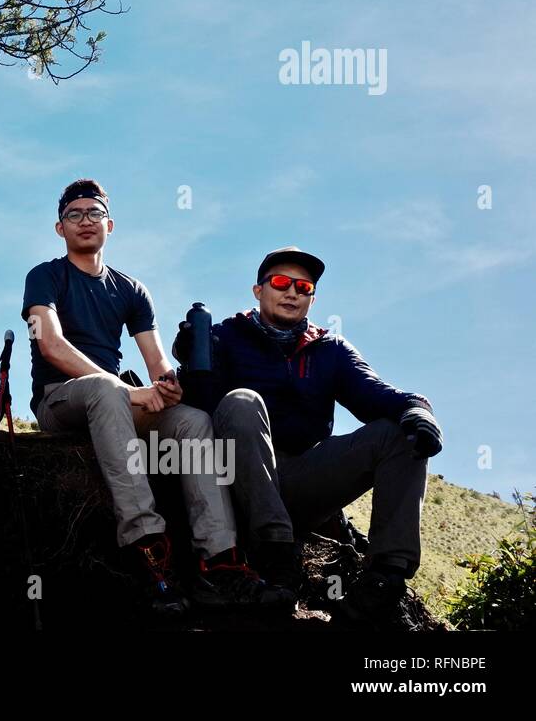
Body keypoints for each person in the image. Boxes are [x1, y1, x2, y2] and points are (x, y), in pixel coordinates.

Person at [22, 179, 292, 614]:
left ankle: (219, 561)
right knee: (108, 388)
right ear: (60, 229)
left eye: (94, 213)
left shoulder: (131, 289)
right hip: (60, 399)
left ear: (110, 224)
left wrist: (169, 384)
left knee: (191, 421)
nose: (85, 221)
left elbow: (156, 361)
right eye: (74, 215)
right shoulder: (46, 275)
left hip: (115, 399)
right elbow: (50, 343)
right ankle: (147, 551)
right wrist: (130, 391)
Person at [176, 246, 442, 623]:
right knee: (241, 401)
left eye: (303, 288)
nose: (292, 293)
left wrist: (418, 408)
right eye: (282, 283)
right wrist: (191, 365)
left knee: (397, 431)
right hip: (233, 481)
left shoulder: (330, 348)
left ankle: (384, 578)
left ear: (312, 298)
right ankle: (276, 555)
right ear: (258, 290)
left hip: (300, 480)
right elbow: (199, 408)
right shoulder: (226, 336)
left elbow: (376, 395)